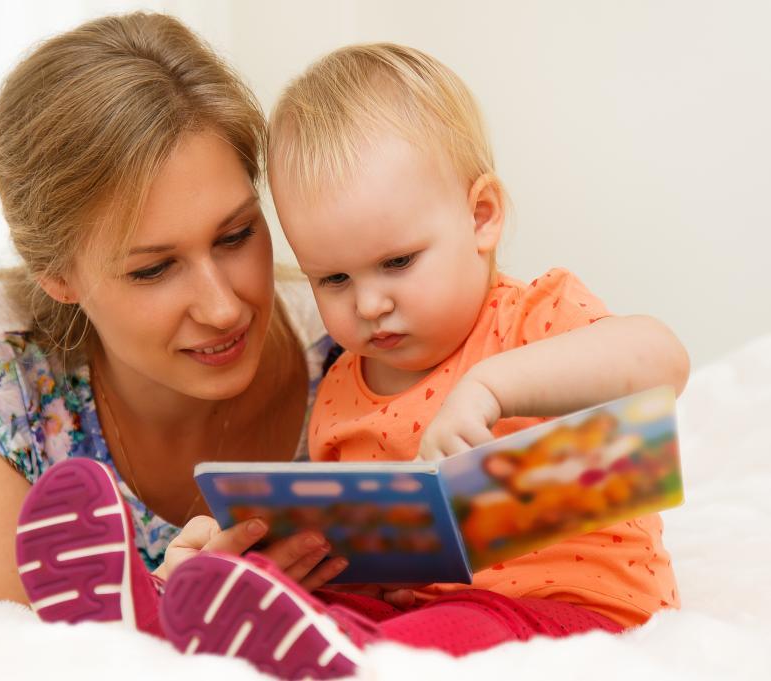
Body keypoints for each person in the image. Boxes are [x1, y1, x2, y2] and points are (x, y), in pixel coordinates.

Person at [147, 42, 690, 677]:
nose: (370, 304)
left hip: (579, 612)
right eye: (334, 280)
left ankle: (325, 646)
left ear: (481, 217)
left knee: (435, 633)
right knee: (323, 604)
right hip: (421, 612)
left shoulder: (535, 317)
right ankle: (166, 608)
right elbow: (366, 550)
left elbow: (663, 359)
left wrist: (492, 387)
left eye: (398, 262)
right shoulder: (343, 386)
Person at [0, 12, 348, 609]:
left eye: (236, 235)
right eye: (153, 269)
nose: (223, 309)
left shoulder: (350, 337)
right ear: (59, 276)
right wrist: (175, 607)